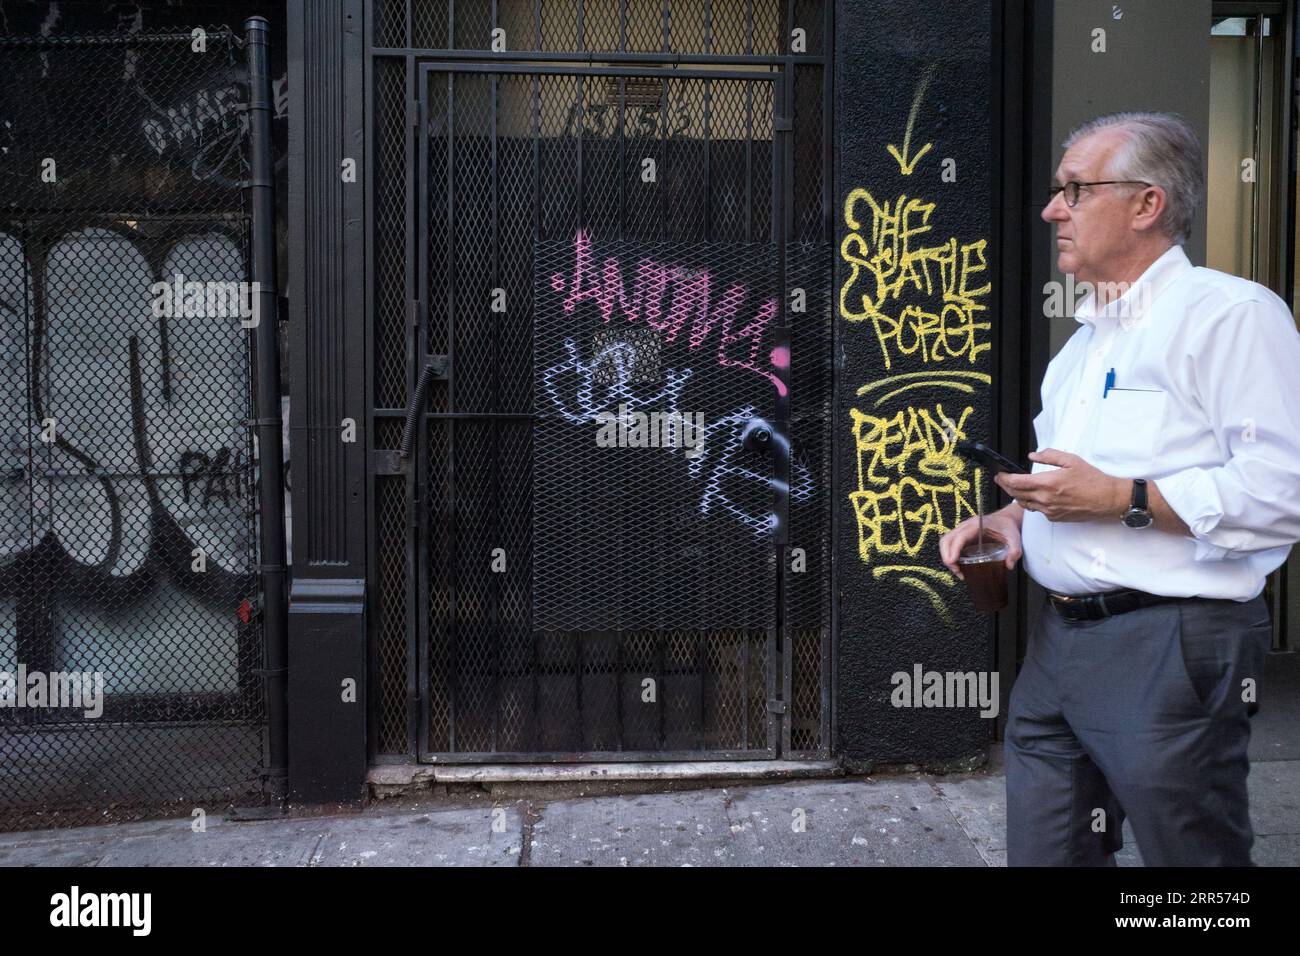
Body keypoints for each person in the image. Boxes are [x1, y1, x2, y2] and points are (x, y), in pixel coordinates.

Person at [939, 111, 1300, 866]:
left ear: (1147, 204)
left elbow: (1281, 493)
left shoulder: (1231, 316)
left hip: (1171, 644)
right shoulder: (1080, 349)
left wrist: (1121, 499)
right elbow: (1071, 486)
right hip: (1055, 646)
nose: (1052, 210)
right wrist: (1014, 519)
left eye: (1075, 189)